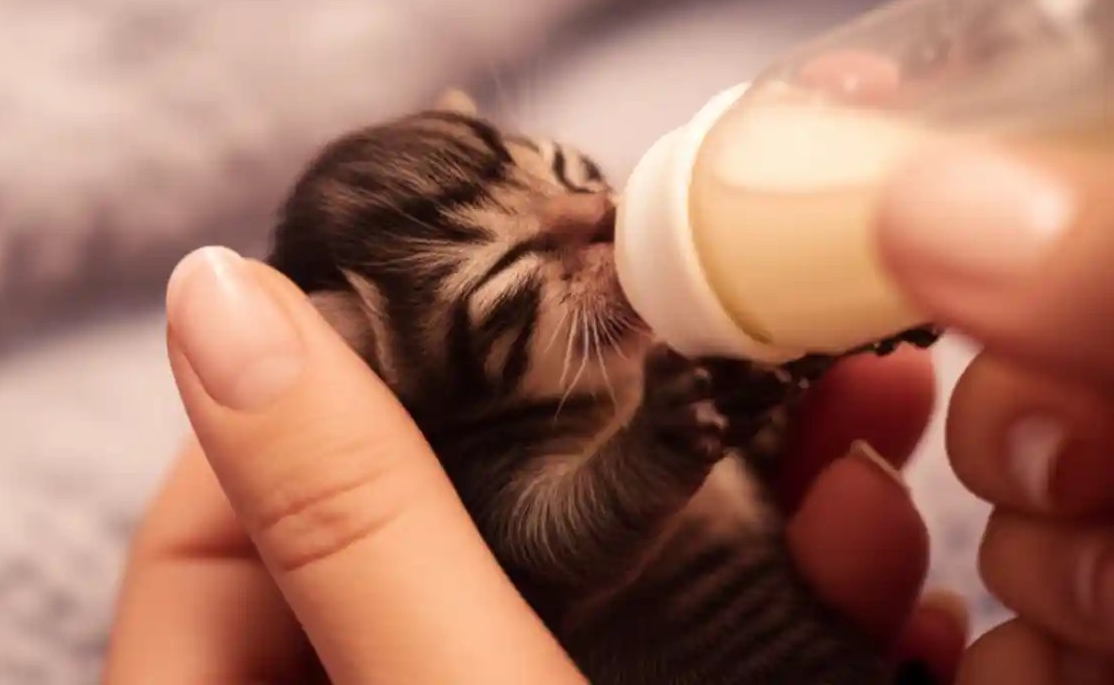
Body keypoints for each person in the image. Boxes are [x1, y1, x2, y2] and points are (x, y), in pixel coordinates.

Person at [102, 136, 1111, 684]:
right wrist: (651, 451)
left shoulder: (620, 371)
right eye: (507, 272)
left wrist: (816, 337)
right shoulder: (477, 490)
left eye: (565, 172)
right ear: (381, 361)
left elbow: (736, 427)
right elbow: (558, 538)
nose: (598, 217)